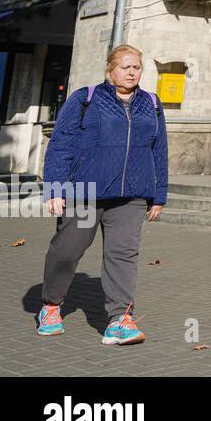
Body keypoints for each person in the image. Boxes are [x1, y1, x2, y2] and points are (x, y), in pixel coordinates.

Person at [37, 44, 168, 344]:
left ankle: (119, 319)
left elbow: (159, 150)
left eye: (136, 66)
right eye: (125, 66)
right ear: (110, 69)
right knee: (67, 250)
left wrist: (159, 194)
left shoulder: (152, 103)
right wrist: (55, 189)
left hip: (131, 195)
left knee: (123, 255)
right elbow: (61, 144)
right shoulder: (86, 99)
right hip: (85, 192)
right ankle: (51, 306)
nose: (132, 71)